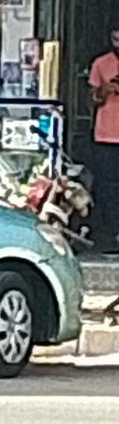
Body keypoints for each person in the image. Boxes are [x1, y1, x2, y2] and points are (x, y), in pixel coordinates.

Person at [89, 23, 119, 252]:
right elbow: (92, 99)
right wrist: (105, 90)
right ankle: (109, 232)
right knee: (107, 186)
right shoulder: (101, 63)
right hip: (107, 134)